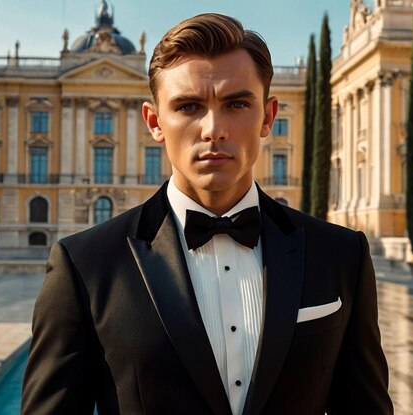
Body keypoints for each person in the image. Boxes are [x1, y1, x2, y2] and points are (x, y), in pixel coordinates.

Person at [21, 13, 393, 415]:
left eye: (236, 103)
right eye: (188, 106)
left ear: (268, 116)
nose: (213, 129)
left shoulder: (341, 255)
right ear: (154, 121)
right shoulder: (85, 265)